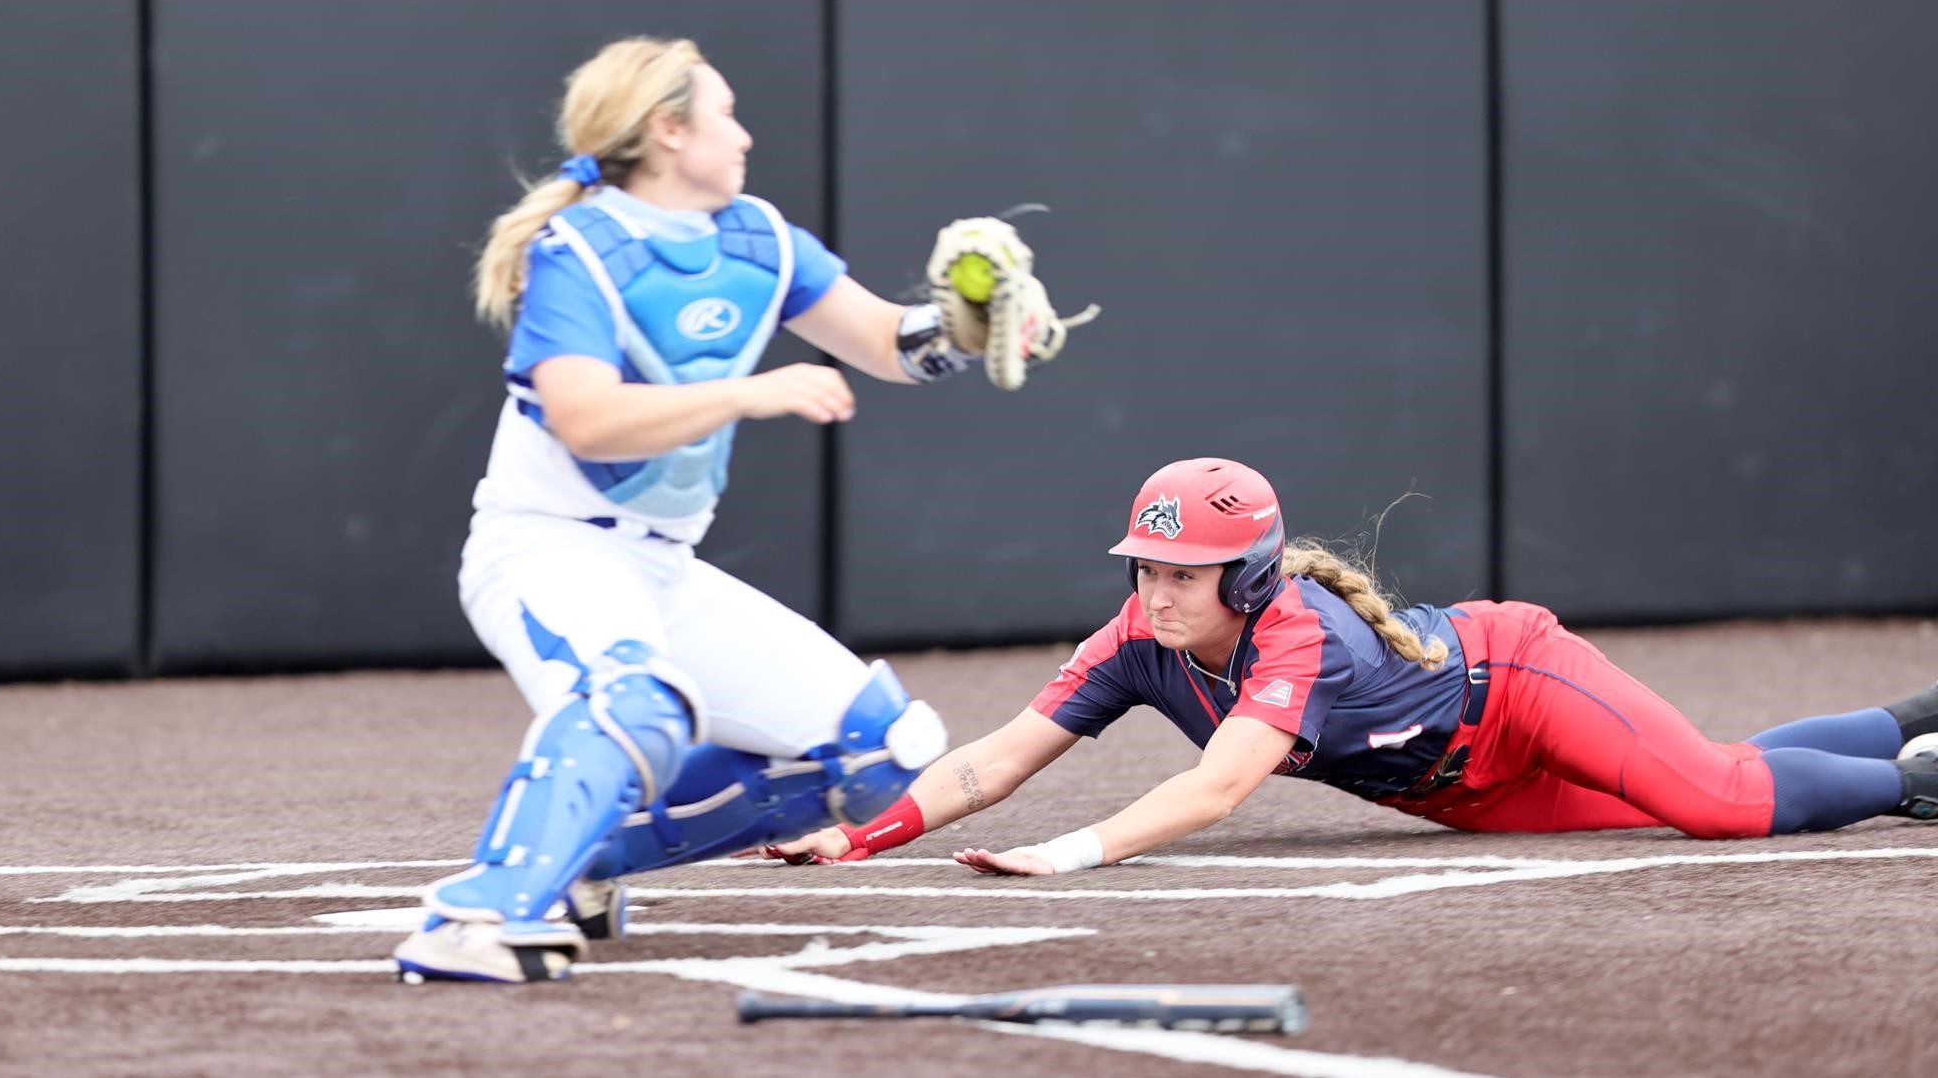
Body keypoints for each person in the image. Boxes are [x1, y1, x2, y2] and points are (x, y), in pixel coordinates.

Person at [393, 36, 1088, 982]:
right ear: (669, 130)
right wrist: (746, 394)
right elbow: (585, 418)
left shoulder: (754, 234)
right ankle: (473, 918)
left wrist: (969, 323)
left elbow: (888, 340)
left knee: (883, 750)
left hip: (660, 564)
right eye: (724, 113)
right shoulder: (580, 253)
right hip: (547, 550)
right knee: (637, 705)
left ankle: (589, 855)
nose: (745, 132)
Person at [747, 457, 1938, 876]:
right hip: (1457, 791)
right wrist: (861, 834)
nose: (1155, 592)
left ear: (1248, 576)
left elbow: (1215, 790)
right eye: (1144, 569)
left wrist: (1061, 855)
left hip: (1514, 685)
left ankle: (1913, 777)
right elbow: (998, 758)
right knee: (1702, 778)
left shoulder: (1297, 629)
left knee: (1716, 803)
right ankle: (1905, 717)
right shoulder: (1133, 643)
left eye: (1183, 572)